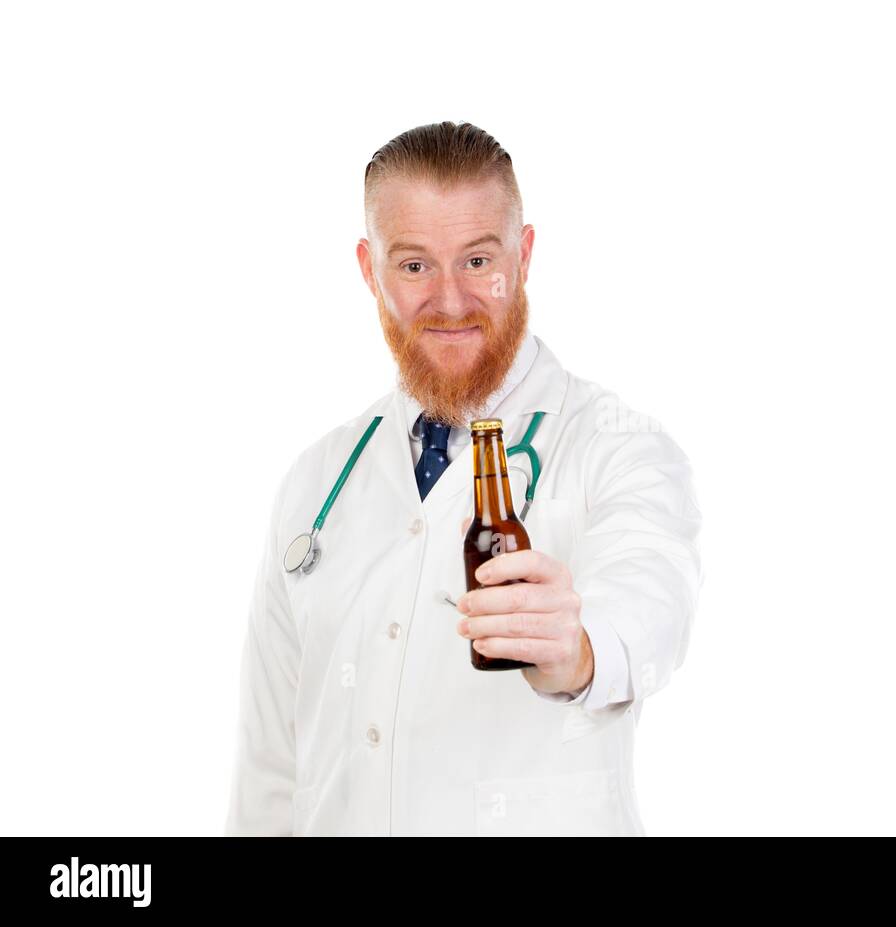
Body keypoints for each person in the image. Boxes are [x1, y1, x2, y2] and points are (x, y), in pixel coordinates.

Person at [222, 121, 703, 836]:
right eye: (414, 266)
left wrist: (577, 649)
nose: (450, 301)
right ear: (368, 269)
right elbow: (270, 769)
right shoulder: (314, 483)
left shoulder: (614, 447)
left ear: (525, 254)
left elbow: (651, 600)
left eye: (479, 260)